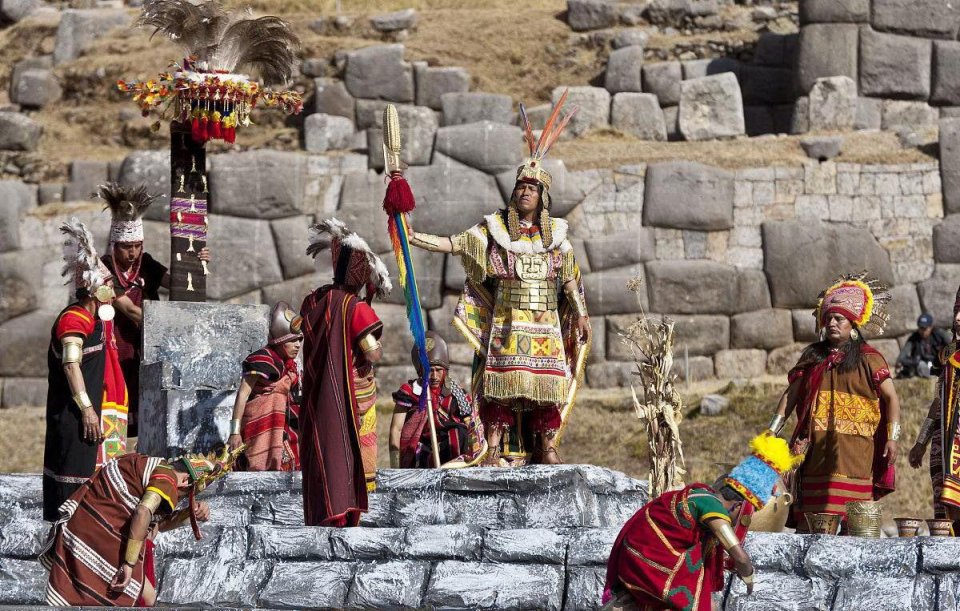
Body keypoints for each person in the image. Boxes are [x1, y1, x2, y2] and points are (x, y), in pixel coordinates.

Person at [407, 93, 591, 466]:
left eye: (533, 188)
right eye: (521, 186)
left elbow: (570, 279)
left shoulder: (556, 236)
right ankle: (492, 446)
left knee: (546, 388)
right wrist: (412, 235)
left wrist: (582, 314)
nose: (525, 191)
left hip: (546, 323)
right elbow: (455, 243)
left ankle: (546, 445)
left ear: (543, 197)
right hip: (508, 320)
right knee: (501, 386)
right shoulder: (493, 230)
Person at [602, 433, 802, 611]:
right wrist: (748, 575)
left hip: (638, 558)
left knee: (702, 593)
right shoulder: (711, 506)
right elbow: (739, 556)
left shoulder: (700, 494)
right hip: (650, 563)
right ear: (738, 506)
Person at [767, 274, 901, 531]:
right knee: (811, 522)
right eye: (828, 317)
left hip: (856, 453)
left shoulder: (870, 358)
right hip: (816, 452)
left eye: (839, 318)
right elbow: (791, 395)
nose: (831, 323)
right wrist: (771, 431)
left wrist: (893, 437)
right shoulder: (812, 357)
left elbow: (891, 397)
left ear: (853, 324)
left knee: (855, 524)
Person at [40, 447, 241, 606]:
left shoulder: (150, 466)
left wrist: (187, 515)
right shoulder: (166, 478)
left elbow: (156, 525)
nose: (179, 499)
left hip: (85, 527)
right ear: (185, 480)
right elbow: (143, 512)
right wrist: (128, 563)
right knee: (145, 596)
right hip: (97, 531)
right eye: (187, 493)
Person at [98, 183, 211, 437]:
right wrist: (171, 323)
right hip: (117, 348)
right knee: (117, 413)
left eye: (137, 245)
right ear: (115, 244)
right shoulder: (104, 269)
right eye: (128, 247)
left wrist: (197, 263)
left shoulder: (145, 263)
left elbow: (177, 283)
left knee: (153, 415)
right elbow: (130, 310)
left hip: (148, 347)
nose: (133, 252)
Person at [299, 218, 391, 527]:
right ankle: (345, 514)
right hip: (350, 394)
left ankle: (323, 512)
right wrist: (378, 344)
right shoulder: (353, 307)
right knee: (344, 453)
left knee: (322, 449)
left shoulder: (317, 299)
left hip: (318, 392)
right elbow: (371, 351)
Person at [43, 219, 129, 522]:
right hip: (76, 418)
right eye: (107, 287)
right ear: (95, 292)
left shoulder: (95, 320)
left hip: (91, 416)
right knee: (73, 491)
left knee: (99, 488)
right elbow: (70, 365)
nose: (112, 292)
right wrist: (88, 409)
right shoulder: (74, 320)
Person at [389, 331, 487, 469]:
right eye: (429, 370)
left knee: (459, 433)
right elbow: (396, 429)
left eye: (438, 370)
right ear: (421, 371)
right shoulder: (410, 392)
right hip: (420, 448)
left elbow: (470, 423)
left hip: (451, 452)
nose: (434, 376)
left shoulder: (457, 393)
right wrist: (395, 466)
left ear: (445, 371)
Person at [227, 301, 303, 471]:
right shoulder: (261, 360)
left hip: (282, 430)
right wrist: (234, 431)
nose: (298, 345)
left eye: (299, 340)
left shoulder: (290, 366)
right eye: (292, 341)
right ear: (280, 341)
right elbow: (243, 395)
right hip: (258, 428)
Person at [909, 286, 960, 520]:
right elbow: (938, 401)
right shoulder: (947, 356)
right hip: (944, 441)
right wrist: (921, 442)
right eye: (956, 312)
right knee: (946, 514)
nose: (957, 318)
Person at [896, 312, 951, 379]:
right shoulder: (914, 338)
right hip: (921, 365)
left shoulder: (940, 335)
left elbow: (953, 347)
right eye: (921, 328)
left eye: (925, 329)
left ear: (931, 327)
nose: (923, 331)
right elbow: (901, 358)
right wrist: (915, 361)